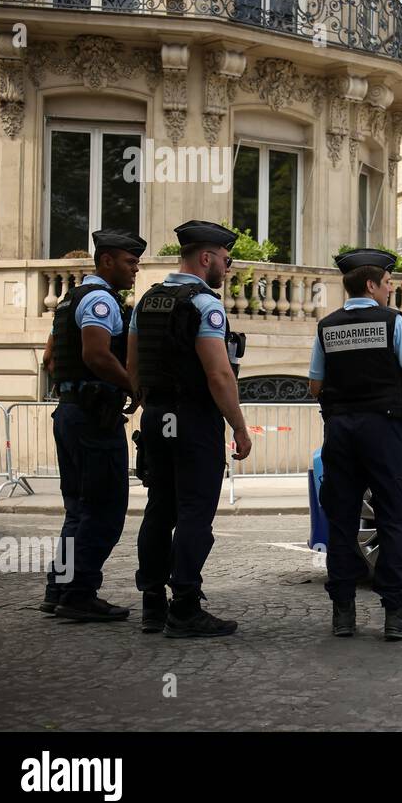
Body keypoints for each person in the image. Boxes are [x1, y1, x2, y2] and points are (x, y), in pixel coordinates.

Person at [127, 221, 251, 637]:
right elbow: (219, 375)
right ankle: (184, 607)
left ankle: (152, 605)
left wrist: (151, 404)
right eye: (225, 260)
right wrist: (239, 427)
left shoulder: (146, 301)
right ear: (206, 258)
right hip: (194, 418)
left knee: (160, 508)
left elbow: (134, 366)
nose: (227, 268)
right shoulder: (205, 305)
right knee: (196, 512)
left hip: (156, 415)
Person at [309, 248, 402, 641]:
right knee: (393, 518)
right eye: (389, 283)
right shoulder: (392, 322)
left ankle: (343, 614)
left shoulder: (327, 326)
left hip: (340, 432)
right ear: (372, 284)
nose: (392, 289)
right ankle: (396, 616)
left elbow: (314, 386)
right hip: (383, 429)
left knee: (341, 519)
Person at [43, 228, 146, 621]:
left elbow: (51, 357)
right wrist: (133, 385)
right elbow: (97, 355)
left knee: (78, 510)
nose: (135, 269)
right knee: (103, 509)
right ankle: (79, 593)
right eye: (130, 261)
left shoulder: (71, 300)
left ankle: (59, 589)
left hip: (71, 411)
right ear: (107, 261)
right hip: (92, 417)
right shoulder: (101, 300)